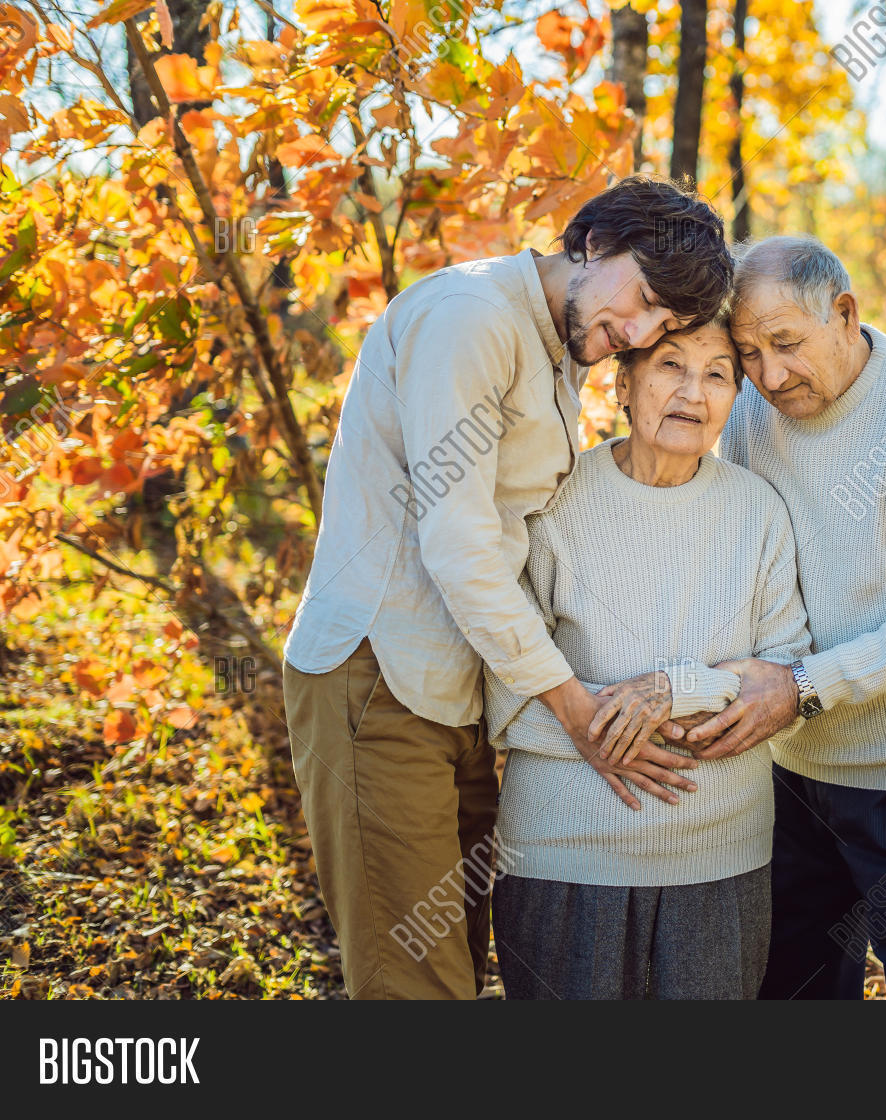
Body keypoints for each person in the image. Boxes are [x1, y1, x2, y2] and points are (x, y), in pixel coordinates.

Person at [281, 176, 732, 999]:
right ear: (594, 242)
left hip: (457, 692)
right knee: (415, 986)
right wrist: (579, 712)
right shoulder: (472, 320)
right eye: (642, 299)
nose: (634, 332)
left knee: (458, 962)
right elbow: (458, 546)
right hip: (377, 681)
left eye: (662, 325)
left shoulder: (558, 347)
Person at [691, 234, 886, 1000]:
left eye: (787, 343)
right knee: (793, 991)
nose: (769, 375)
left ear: (844, 313)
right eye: (748, 353)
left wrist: (804, 683)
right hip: (792, 772)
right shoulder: (747, 412)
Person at [484, 310, 811, 999]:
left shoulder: (759, 512)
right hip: (563, 856)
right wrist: (608, 731)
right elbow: (504, 679)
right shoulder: (553, 500)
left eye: (718, 374)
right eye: (670, 366)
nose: (693, 393)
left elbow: (785, 679)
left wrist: (676, 689)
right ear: (624, 383)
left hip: (721, 860)